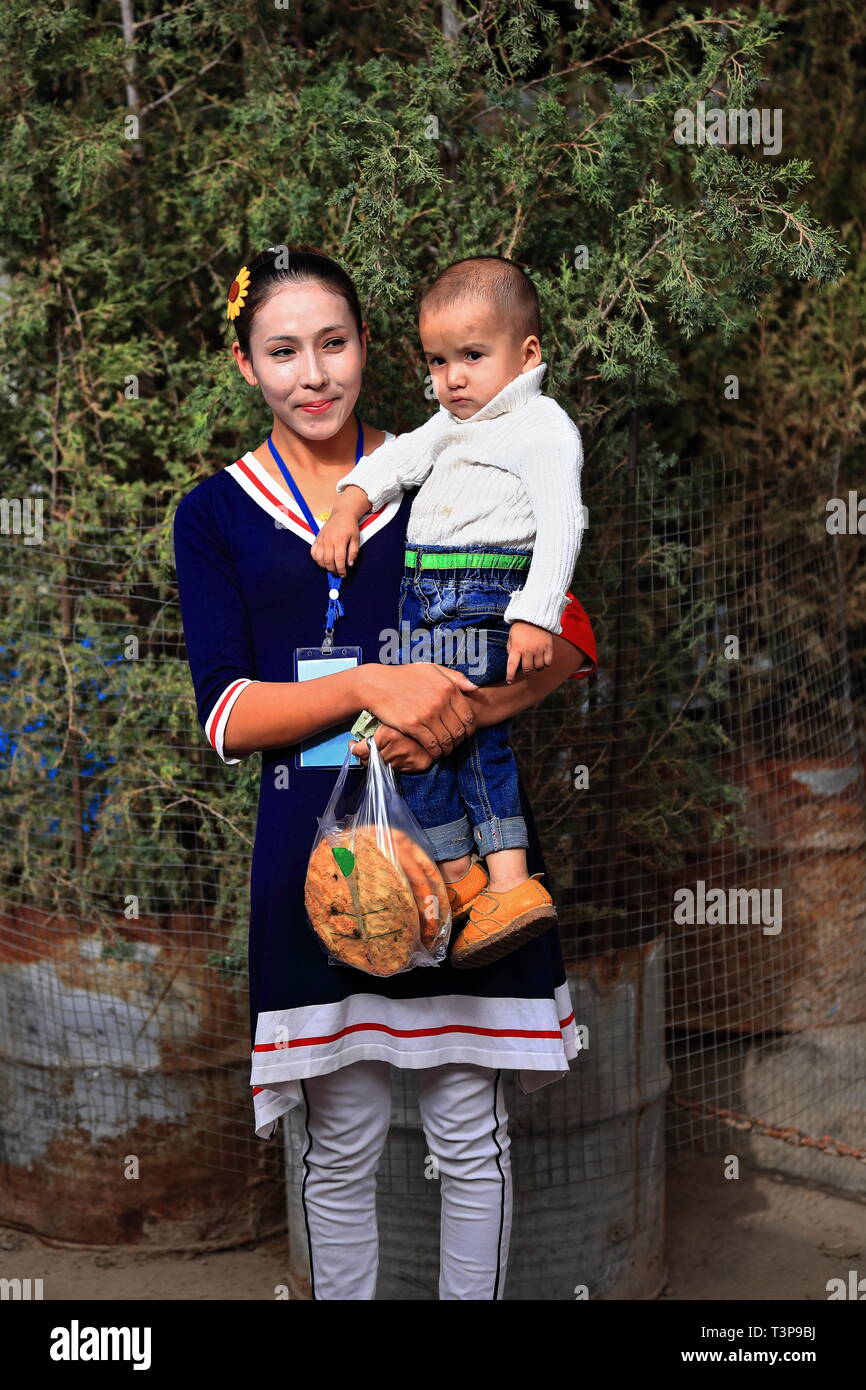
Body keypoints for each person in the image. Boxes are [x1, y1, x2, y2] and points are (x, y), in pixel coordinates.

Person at [172, 245, 598, 1300]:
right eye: (282, 351)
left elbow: (567, 639)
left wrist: (447, 712)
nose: (311, 373)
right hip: (315, 861)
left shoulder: (449, 459)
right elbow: (227, 715)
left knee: (466, 1128)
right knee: (343, 1139)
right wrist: (370, 687)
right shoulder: (215, 514)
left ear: (369, 349)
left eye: (333, 343)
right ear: (245, 366)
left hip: (450, 841)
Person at [312, 255, 583, 969]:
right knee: (417, 741)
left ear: (526, 355)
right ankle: (460, 878)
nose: (452, 377)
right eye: (438, 361)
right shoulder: (451, 424)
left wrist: (534, 613)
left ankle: (511, 882)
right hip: (424, 604)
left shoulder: (540, 425)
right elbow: (393, 463)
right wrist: (349, 504)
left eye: (471, 356)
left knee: (470, 737)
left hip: (485, 597)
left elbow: (562, 524)